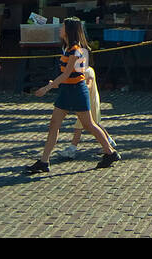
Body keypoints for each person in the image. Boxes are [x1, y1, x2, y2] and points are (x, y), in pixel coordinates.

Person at [27, 18, 120, 173]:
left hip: (77, 90)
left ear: (68, 30)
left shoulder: (75, 50)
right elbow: (65, 76)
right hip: (66, 90)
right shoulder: (67, 48)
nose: (60, 29)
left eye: (62, 27)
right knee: (54, 124)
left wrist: (47, 87)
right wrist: (54, 84)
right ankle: (44, 161)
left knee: (89, 124)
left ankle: (110, 152)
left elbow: (66, 74)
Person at [62, 64, 116, 159]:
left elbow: (89, 84)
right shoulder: (79, 71)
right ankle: (109, 141)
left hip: (89, 103)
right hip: (86, 102)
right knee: (95, 123)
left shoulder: (88, 71)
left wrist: (80, 89)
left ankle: (72, 148)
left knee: (79, 126)